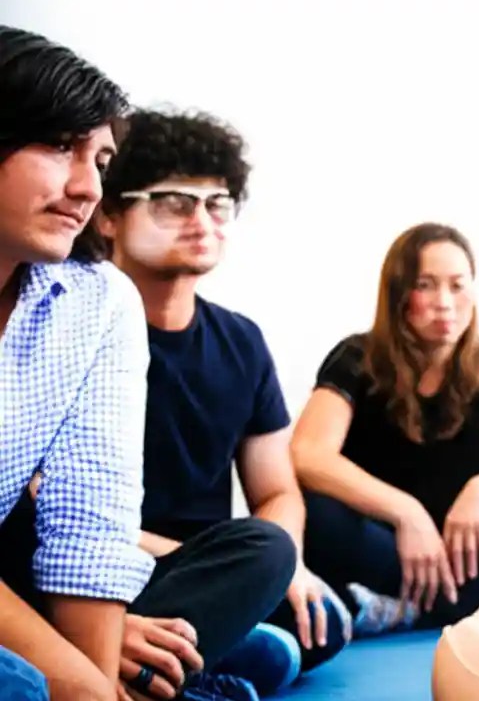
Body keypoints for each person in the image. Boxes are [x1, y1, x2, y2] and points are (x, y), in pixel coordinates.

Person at [95, 107, 351, 695]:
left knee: (323, 620)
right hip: (107, 565)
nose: (202, 221)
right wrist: (217, 562)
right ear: (109, 215)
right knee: (272, 639)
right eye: (173, 201)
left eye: (216, 204)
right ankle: (194, 660)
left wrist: (290, 566)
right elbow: (43, 507)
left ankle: (192, 659)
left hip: (218, 567)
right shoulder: (80, 328)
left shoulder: (240, 341)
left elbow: (277, 490)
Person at [291, 221, 479, 635]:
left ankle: (404, 608)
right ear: (398, 295)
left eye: (457, 285)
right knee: (316, 514)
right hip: (386, 539)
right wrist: (404, 512)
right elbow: (308, 455)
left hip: (463, 549)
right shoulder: (356, 357)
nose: (445, 302)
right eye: (426, 285)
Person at [0, 24, 153, 701]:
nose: (88, 187)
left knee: (260, 558)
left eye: (101, 160)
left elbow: (91, 514)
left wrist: (88, 676)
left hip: (19, 577)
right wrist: (84, 687)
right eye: (62, 147)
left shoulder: (98, 299)